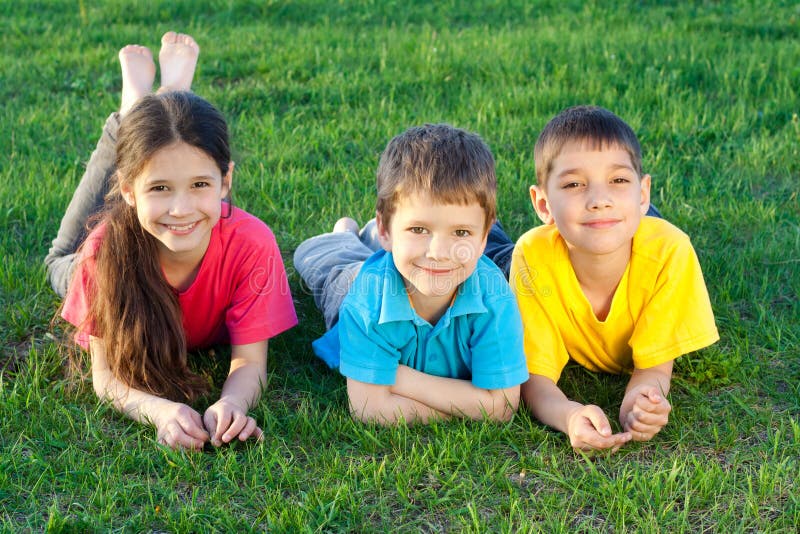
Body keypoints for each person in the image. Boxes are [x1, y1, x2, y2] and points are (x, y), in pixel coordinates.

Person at [47, 32, 297, 450]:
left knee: (179, 165)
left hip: (190, 205)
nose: (180, 208)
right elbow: (106, 380)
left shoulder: (252, 243)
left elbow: (251, 362)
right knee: (56, 262)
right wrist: (160, 411)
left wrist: (231, 402)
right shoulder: (101, 253)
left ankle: (164, 109)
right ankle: (131, 113)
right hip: (101, 247)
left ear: (227, 182)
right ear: (128, 191)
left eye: (202, 183)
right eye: (158, 188)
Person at [506, 105, 719, 452]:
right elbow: (534, 378)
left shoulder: (670, 255)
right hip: (545, 250)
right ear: (543, 204)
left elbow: (653, 369)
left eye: (618, 180)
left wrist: (641, 403)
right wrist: (569, 415)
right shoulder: (531, 256)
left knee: (639, 231)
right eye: (574, 184)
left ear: (644, 194)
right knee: (490, 258)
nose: (599, 200)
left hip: (639, 237)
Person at [293, 124, 529, 424]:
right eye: (419, 229)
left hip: (403, 262)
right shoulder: (366, 300)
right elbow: (368, 409)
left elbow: (502, 408)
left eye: (461, 232)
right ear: (385, 229)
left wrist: (397, 377)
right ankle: (343, 234)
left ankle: (383, 236)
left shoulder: (494, 297)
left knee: (404, 257)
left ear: (484, 237)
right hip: (358, 282)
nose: (439, 252)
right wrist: (471, 403)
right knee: (327, 268)